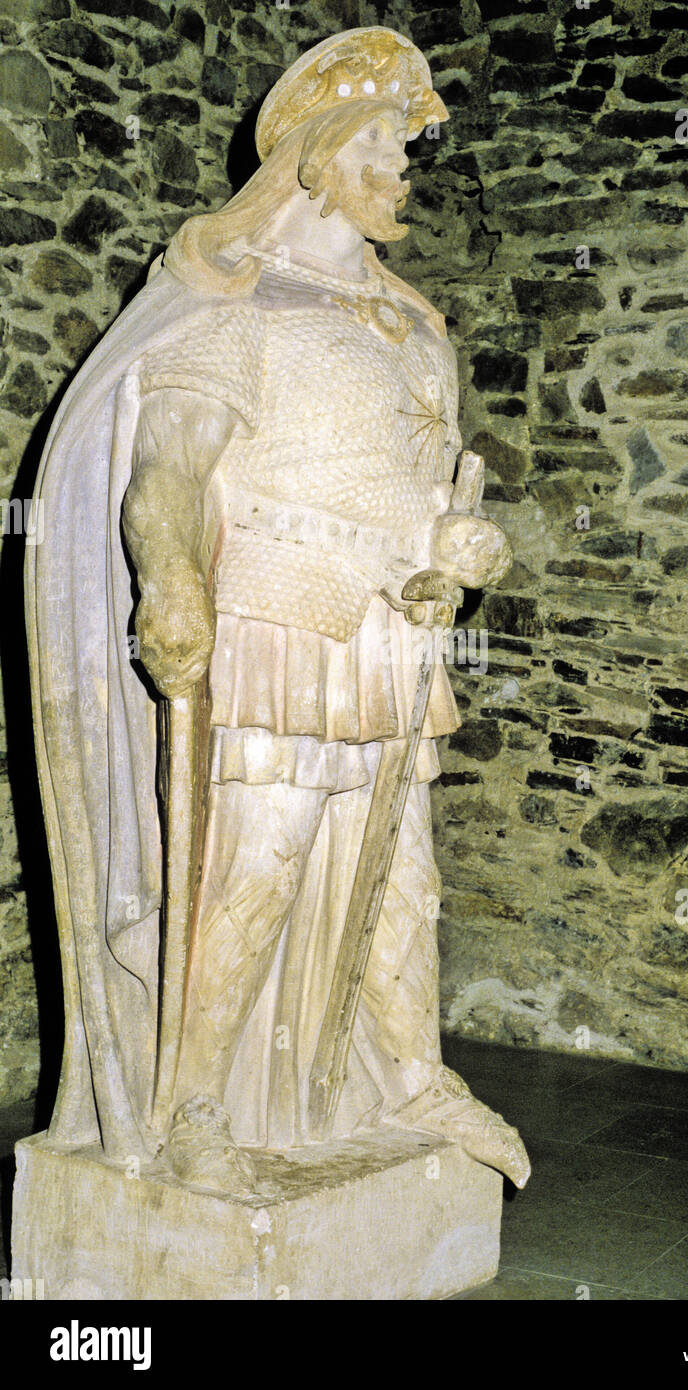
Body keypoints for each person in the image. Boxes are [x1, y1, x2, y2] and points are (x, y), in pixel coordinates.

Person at [27, 26, 530, 1193]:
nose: (403, 168)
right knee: (258, 865)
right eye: (383, 143)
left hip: (395, 638)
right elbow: (165, 465)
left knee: (405, 874)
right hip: (274, 621)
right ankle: (194, 1109)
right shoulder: (233, 297)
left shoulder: (412, 321)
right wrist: (169, 576)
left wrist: (458, 542)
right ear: (310, 157)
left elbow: (426, 477)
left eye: (407, 147)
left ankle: (412, 1079)